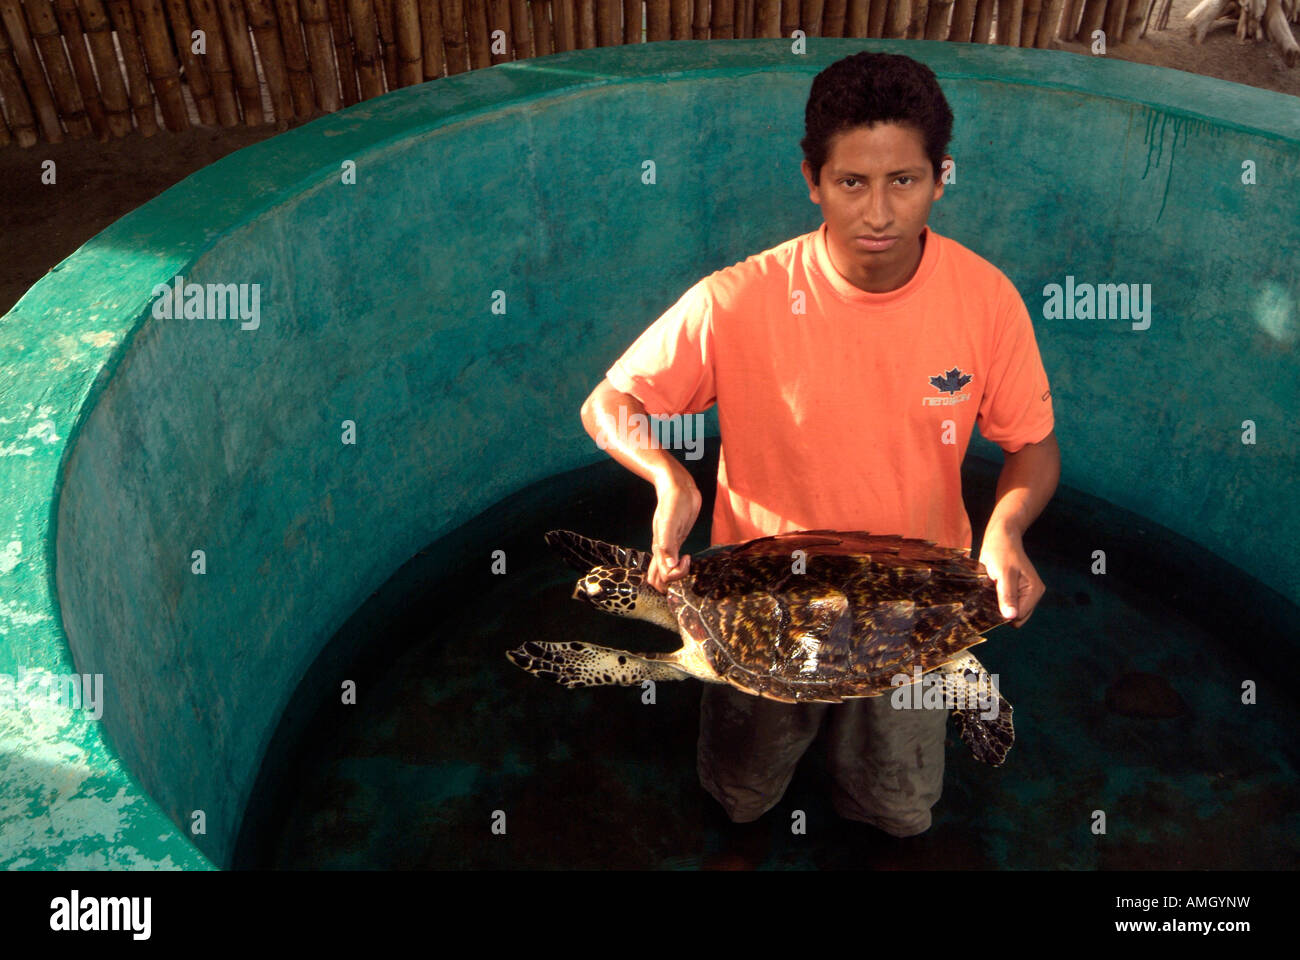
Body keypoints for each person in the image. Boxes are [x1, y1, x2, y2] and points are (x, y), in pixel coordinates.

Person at [579, 51, 1060, 856]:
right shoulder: (738, 300)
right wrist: (669, 479)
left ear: (942, 177)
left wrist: (1005, 530)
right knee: (740, 799)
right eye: (851, 183)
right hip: (759, 608)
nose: (878, 212)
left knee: (896, 814)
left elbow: (1033, 447)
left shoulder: (987, 302)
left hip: (912, 609)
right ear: (812, 178)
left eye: (903, 181)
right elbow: (609, 404)